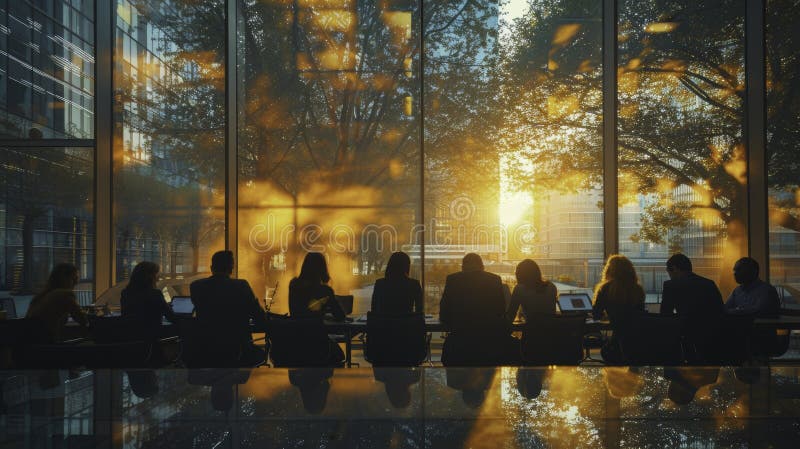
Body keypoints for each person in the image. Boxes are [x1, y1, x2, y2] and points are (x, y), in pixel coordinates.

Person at [190, 250, 268, 366]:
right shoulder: (241, 286)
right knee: (261, 354)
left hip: (206, 349)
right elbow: (258, 315)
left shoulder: (196, 286)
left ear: (212, 267)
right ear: (231, 268)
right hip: (237, 351)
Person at [439, 253, 518, 365]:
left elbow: (444, 314)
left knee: (458, 381)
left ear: (463, 267)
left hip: (459, 349)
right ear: (482, 266)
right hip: (488, 349)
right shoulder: (494, 280)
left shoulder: (453, 280)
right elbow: (500, 311)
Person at [592, 255, 646, 363]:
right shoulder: (638, 289)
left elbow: (596, 314)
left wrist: (607, 315)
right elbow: (640, 313)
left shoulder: (606, 288)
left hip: (617, 343)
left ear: (609, 270)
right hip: (638, 340)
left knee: (606, 352)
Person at [25, 263, 88, 342]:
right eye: (74, 278)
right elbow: (82, 319)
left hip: (31, 344)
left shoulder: (43, 295)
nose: (76, 282)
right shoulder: (64, 294)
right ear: (64, 278)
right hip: (47, 345)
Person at [659, 253, 724, 317]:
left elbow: (665, 314)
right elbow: (720, 310)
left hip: (684, 326)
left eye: (668, 270)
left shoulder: (671, 285)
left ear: (674, 268)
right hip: (710, 326)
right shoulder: (709, 284)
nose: (669, 275)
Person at [120, 262, 175, 335]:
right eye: (156, 275)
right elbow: (172, 318)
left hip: (131, 336)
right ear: (150, 277)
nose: (158, 279)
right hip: (151, 337)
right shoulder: (155, 294)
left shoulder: (125, 293)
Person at [289, 252, 346, 320]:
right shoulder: (325, 291)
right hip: (317, 329)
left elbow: (298, 313)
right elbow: (340, 316)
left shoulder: (294, 285)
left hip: (296, 329)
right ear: (322, 269)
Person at [505, 259, 557, 323]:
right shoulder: (551, 287)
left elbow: (510, 316)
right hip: (551, 330)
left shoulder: (520, 289)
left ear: (519, 275)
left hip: (532, 330)